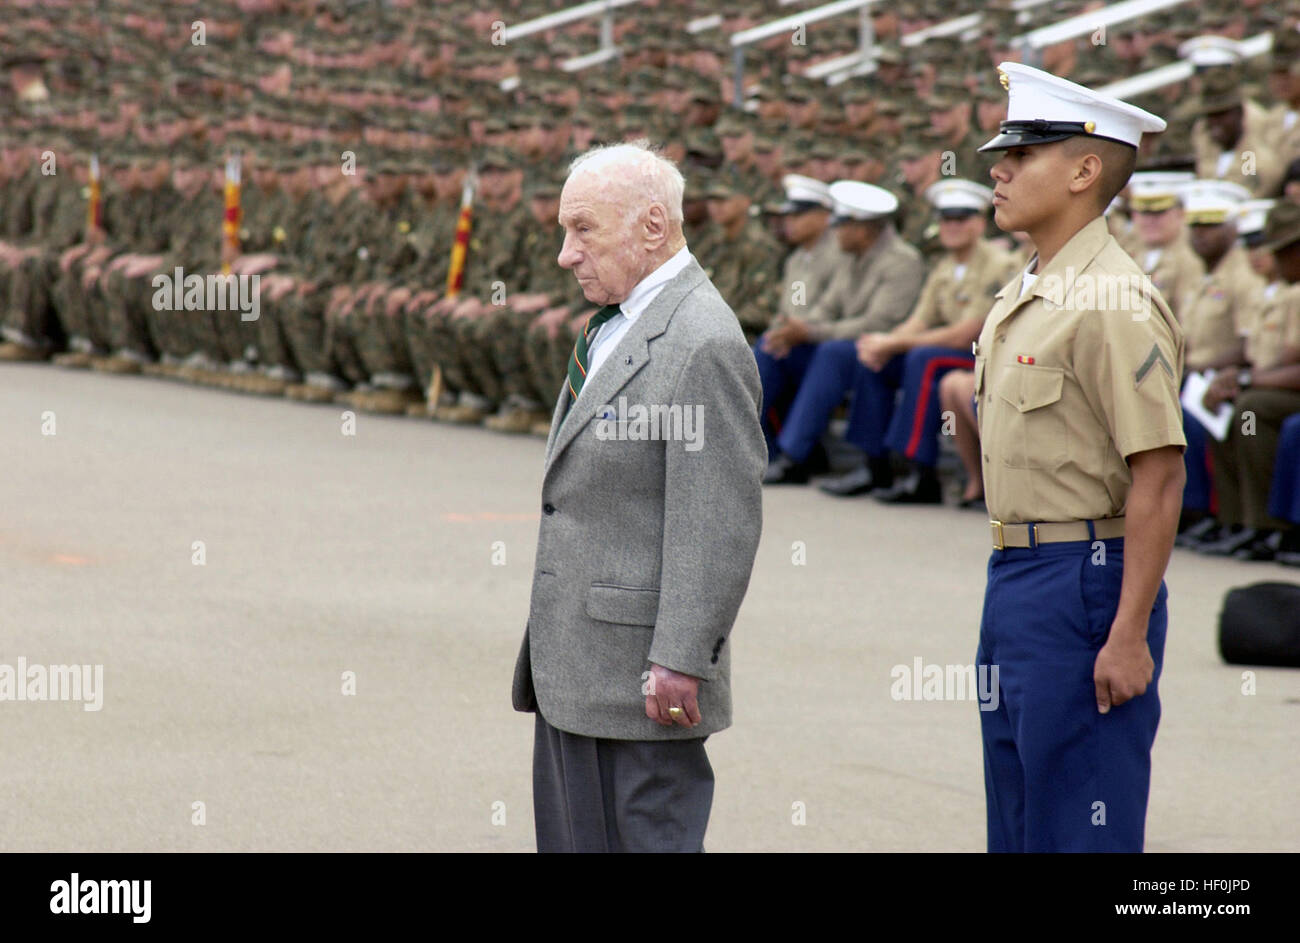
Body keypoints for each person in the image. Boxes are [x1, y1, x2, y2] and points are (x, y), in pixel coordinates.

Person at [511, 141, 765, 853]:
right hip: (579, 667)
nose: (565, 254)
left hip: (643, 687)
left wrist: (680, 657)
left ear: (652, 226)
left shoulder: (701, 340)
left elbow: (718, 519)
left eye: (583, 229)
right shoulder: (617, 321)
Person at [974, 63, 1186, 853]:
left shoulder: (1113, 301)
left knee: (1080, 824)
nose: (999, 170)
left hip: (1085, 580)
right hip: (1017, 575)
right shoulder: (1029, 288)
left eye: (1022, 155)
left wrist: (1128, 631)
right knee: (1020, 821)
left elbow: (1159, 474)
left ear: (1084, 170)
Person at [816, 179, 1016, 501]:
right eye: (945, 219)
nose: (951, 226)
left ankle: (920, 470)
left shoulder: (997, 263)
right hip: (952, 351)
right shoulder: (945, 266)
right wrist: (882, 345)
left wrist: (894, 344)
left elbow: (966, 333)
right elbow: (919, 320)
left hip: (983, 354)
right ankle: (873, 464)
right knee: (877, 360)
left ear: (980, 223)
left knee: (922, 359)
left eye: (961, 218)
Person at [761, 181, 924, 485]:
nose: (834, 232)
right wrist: (793, 330)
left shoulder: (901, 260)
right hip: (846, 345)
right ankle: (752, 447)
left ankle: (794, 457)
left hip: (883, 349)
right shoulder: (852, 257)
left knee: (832, 352)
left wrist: (811, 331)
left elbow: (878, 323)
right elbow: (828, 306)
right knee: (771, 346)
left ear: (863, 229)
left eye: (840, 225)